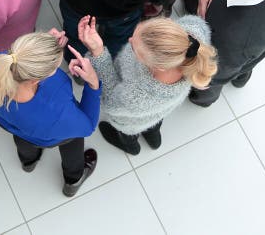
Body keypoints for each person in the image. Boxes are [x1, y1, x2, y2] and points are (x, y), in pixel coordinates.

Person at [0, 31, 101, 197]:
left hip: (11, 124)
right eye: (54, 68)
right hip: (48, 132)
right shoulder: (57, 107)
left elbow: (13, 63)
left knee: (23, 139)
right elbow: (88, 126)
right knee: (72, 142)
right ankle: (73, 180)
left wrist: (36, 52)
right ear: (35, 80)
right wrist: (93, 83)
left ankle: (28, 162)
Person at [79, 15, 217, 155]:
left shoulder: (137, 96)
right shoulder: (191, 37)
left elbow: (110, 103)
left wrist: (98, 53)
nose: (130, 40)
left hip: (131, 122)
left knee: (129, 133)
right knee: (154, 121)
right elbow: (197, 23)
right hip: (158, 112)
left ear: (156, 66)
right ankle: (153, 137)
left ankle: (131, 147)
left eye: (133, 48)